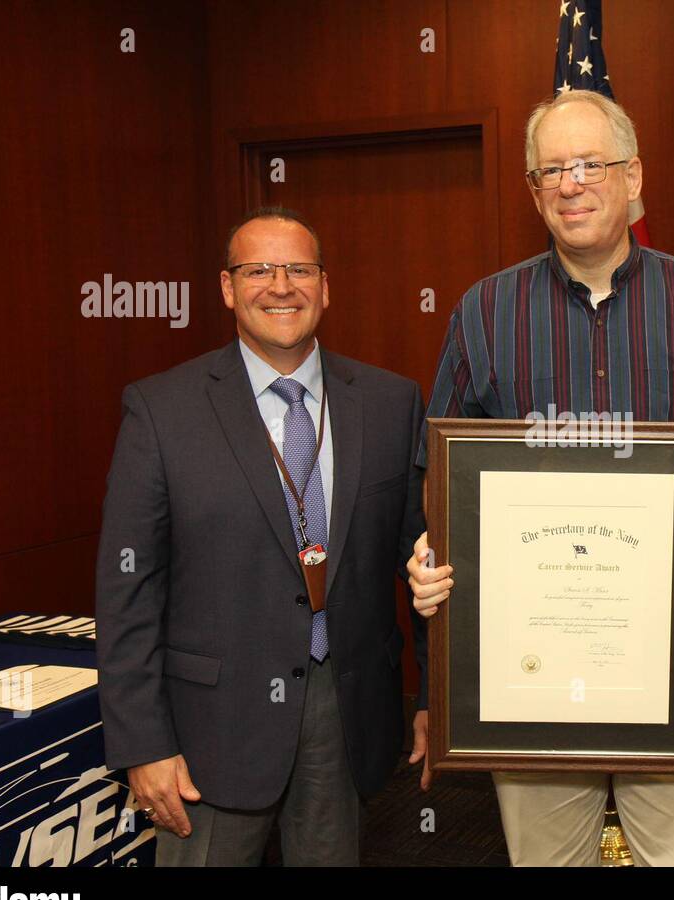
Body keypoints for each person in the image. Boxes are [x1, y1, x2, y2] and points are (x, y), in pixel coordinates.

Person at [405, 90, 674, 866]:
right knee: (546, 858)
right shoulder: (484, 310)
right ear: (533, 190)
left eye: (590, 164)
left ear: (633, 175)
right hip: (530, 638)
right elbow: (442, 464)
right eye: (550, 170)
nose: (570, 184)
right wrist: (435, 543)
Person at [95, 207, 428, 866]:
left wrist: (437, 699)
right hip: (210, 729)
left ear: (325, 287)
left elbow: (422, 566)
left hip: (347, 710)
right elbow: (128, 591)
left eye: (300, 268)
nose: (281, 285)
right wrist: (142, 744)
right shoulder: (162, 410)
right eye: (259, 270)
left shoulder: (392, 403)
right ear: (227, 287)